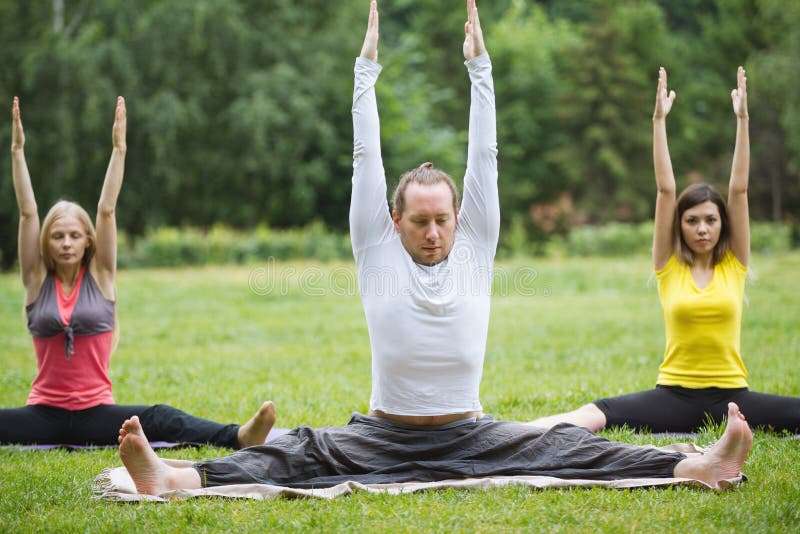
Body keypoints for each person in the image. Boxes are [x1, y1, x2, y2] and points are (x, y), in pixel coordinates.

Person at [116, 0, 751, 494]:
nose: (433, 231)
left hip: (472, 434)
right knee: (301, 450)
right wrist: (365, 72)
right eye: (419, 221)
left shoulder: (476, 245)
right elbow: (366, 156)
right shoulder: (377, 247)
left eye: (442, 219)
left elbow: (485, 158)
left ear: (459, 218)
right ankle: (170, 478)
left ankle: (692, 467)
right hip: (382, 436)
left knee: (566, 445)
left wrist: (482, 69)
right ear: (394, 222)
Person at [530, 67, 800, 434]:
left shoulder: (734, 265)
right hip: (673, 397)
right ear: (680, 225)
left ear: (722, 224)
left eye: (710, 220)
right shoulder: (668, 266)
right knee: (598, 412)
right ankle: (520, 432)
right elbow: (665, 190)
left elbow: (738, 190)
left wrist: (743, 120)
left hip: (733, 399)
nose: (702, 228)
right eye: (691, 221)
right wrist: (658, 121)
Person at [3, 96, 275, 448]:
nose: (66, 243)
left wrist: (119, 149)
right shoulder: (36, 282)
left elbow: (106, 210)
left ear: (88, 241)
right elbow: (27, 212)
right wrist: (16, 150)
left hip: (96, 413)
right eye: (57, 236)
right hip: (42, 414)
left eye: (74, 235)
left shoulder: (101, 277)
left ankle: (239, 436)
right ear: (47, 242)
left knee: (161, 417)